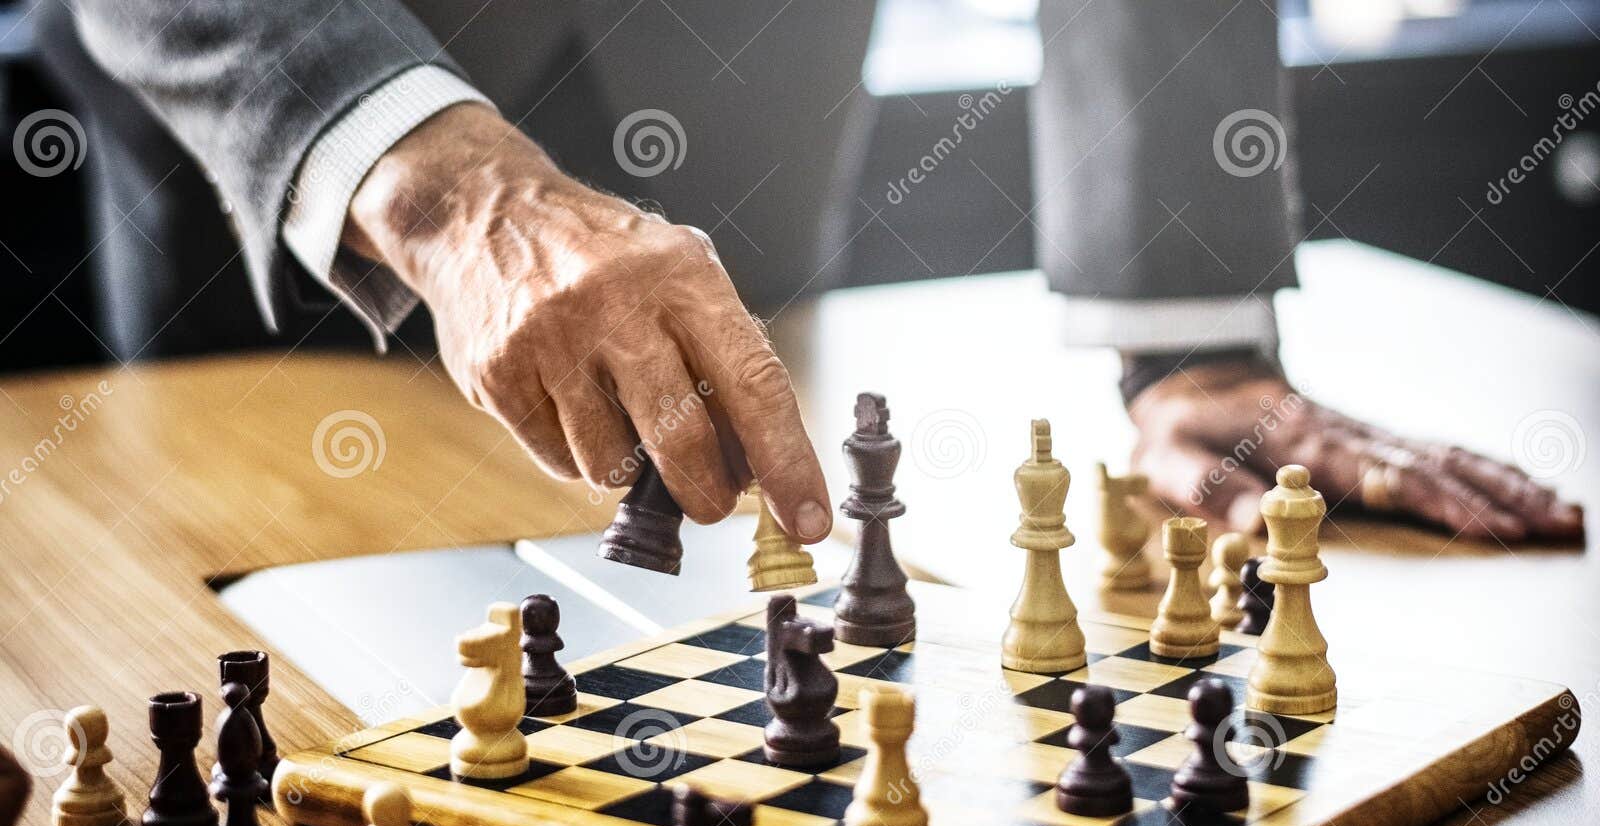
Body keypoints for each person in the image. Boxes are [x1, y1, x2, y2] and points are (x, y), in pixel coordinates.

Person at [37, 0, 1584, 545]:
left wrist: (1188, 338)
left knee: (730, 537)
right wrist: (446, 188)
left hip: (734, 87)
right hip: (294, 126)